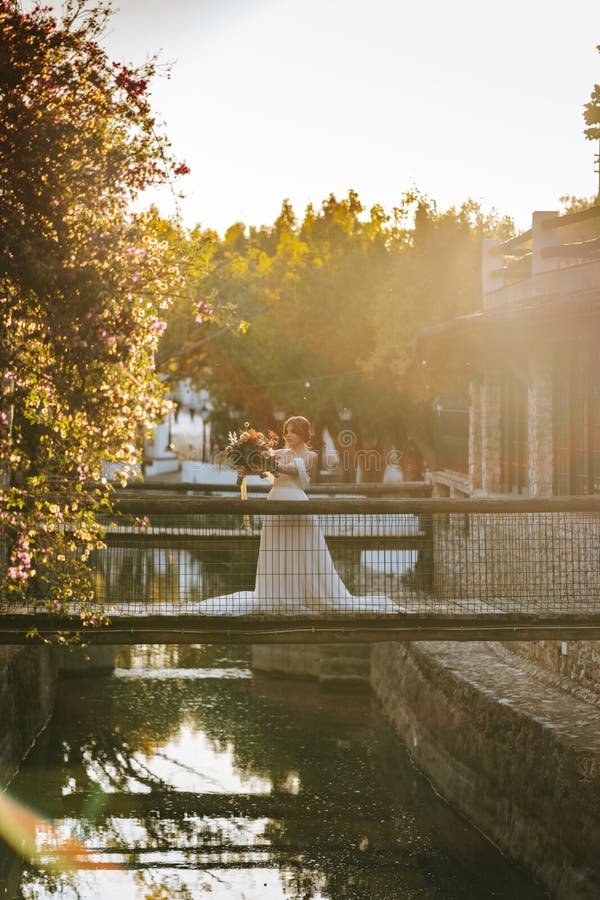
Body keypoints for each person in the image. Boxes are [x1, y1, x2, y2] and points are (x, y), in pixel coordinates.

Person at [199, 415, 396, 615]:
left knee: (301, 549)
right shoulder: (277, 453)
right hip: (275, 501)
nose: (289, 435)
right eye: (287, 431)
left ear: (303, 434)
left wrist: (271, 463)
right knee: (277, 548)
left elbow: (293, 472)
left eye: (294, 431)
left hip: (297, 503)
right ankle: (276, 595)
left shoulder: (311, 456)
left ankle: (304, 594)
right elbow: (261, 468)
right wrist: (241, 457)